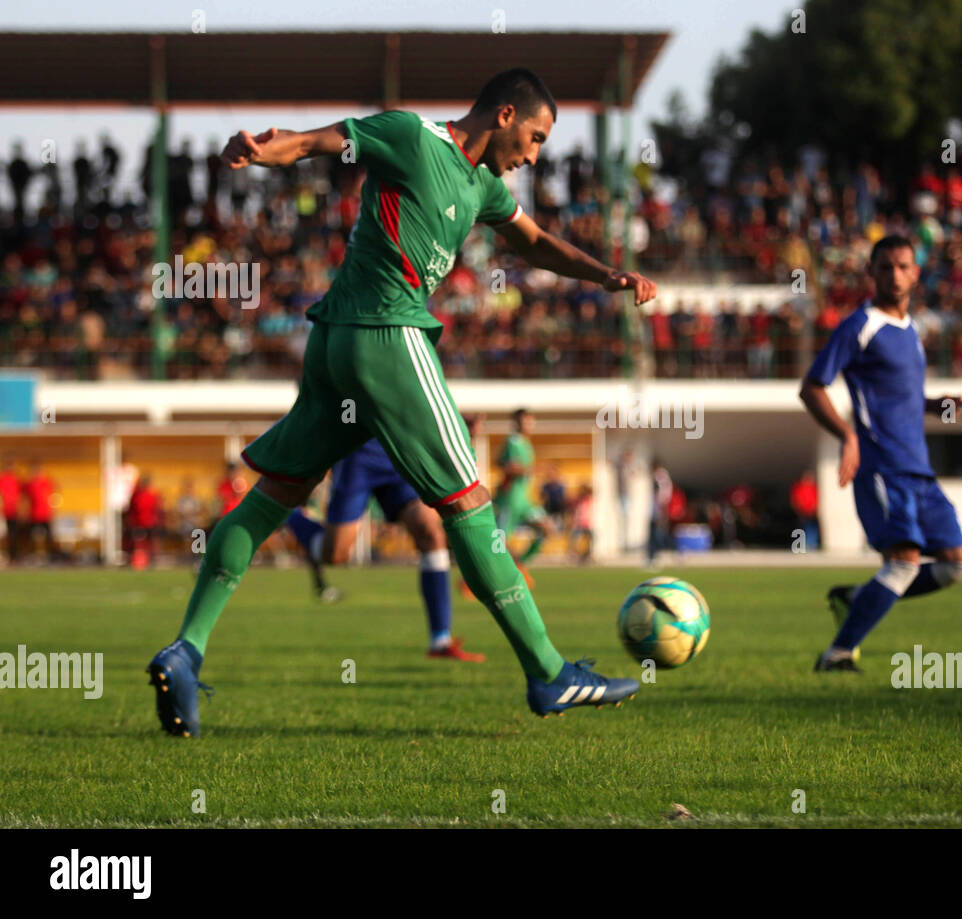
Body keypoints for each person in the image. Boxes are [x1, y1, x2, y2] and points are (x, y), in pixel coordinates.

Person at [147, 68, 657, 736]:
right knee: (469, 501)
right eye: (533, 138)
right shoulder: (411, 135)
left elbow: (534, 243)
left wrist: (606, 275)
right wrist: (266, 149)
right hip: (386, 331)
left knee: (277, 490)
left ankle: (185, 648)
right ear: (505, 115)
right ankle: (549, 673)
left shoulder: (482, 186)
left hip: (334, 344)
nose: (535, 156)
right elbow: (320, 142)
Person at [799, 235, 962, 671]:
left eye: (903, 266)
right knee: (903, 563)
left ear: (916, 273)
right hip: (882, 468)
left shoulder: (911, 330)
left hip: (919, 469)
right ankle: (837, 654)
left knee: (960, 566)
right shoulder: (861, 324)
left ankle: (858, 598)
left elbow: (904, 397)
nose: (894, 275)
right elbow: (811, 387)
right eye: (885, 268)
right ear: (871, 274)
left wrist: (938, 406)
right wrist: (848, 434)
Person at [284, 438, 485, 662]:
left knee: (431, 533)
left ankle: (440, 640)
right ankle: (291, 518)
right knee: (336, 554)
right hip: (357, 455)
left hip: (398, 450)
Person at [495, 409, 554, 584]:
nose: (528, 425)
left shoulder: (526, 444)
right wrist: (537, 469)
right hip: (510, 500)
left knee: (547, 528)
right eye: (524, 421)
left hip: (525, 501)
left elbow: (501, 461)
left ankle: (521, 564)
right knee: (498, 541)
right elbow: (509, 467)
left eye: (530, 421)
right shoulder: (512, 442)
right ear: (516, 423)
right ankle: (472, 580)